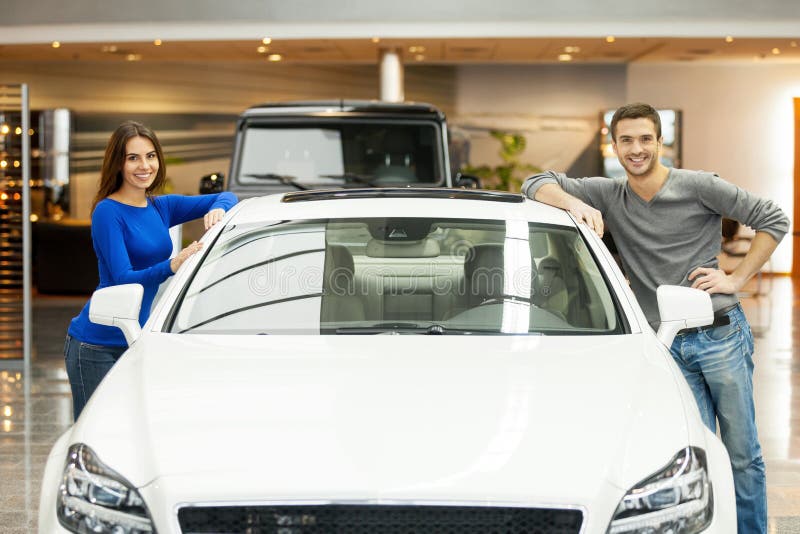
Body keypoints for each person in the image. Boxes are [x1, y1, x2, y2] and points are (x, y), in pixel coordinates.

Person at [521, 102, 788, 534]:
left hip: (719, 335)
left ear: (660, 142)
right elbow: (535, 182)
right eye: (626, 140)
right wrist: (575, 204)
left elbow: (773, 218)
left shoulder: (699, 186)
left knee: (742, 455)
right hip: (666, 345)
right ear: (614, 146)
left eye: (646, 138)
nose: (637, 149)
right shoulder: (609, 194)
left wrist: (736, 278)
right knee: (693, 454)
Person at [64, 121, 237, 420]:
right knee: (97, 430)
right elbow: (123, 279)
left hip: (135, 338)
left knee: (131, 429)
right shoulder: (107, 212)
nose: (144, 166)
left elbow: (228, 196)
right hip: (95, 345)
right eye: (133, 158)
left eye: (151, 156)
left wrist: (218, 209)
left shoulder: (161, 207)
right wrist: (172, 265)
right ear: (118, 163)